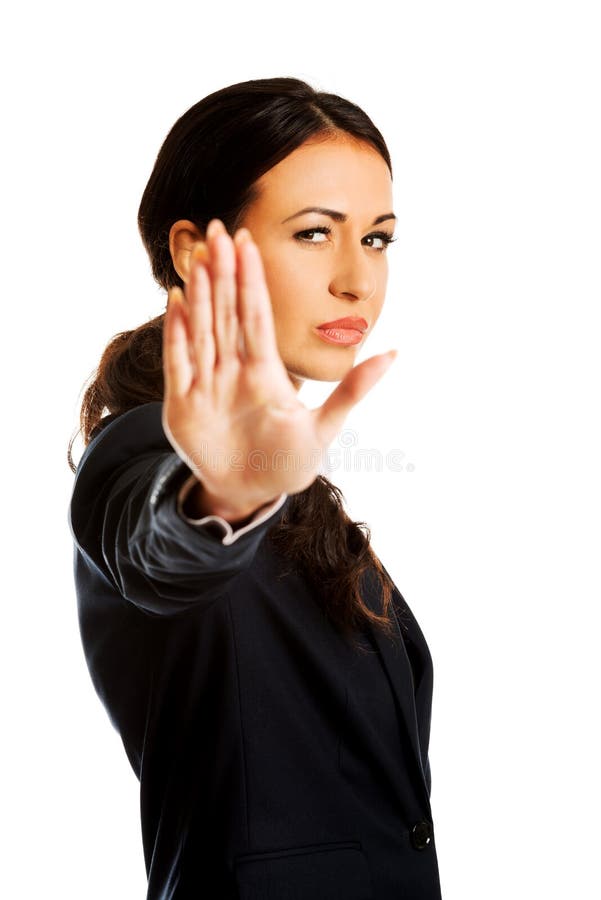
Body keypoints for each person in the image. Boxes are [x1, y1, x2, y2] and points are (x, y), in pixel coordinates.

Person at [67, 76, 443, 900]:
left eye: (376, 240)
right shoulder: (146, 447)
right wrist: (225, 501)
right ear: (197, 253)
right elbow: (156, 546)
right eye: (314, 233)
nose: (357, 280)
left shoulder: (288, 471)